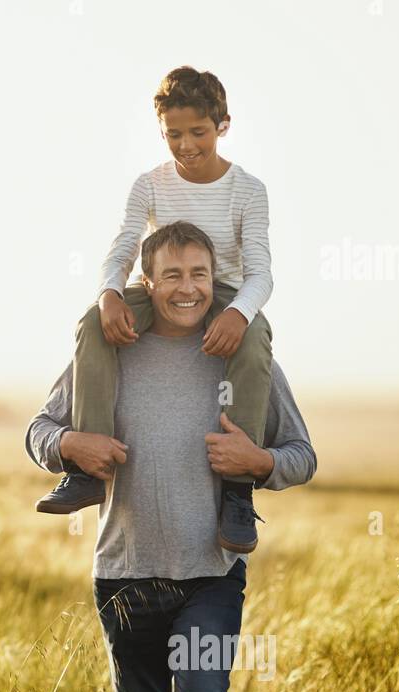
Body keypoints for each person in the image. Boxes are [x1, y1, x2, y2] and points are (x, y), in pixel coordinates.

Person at [24, 221, 316, 692]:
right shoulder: (110, 353)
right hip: (125, 578)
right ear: (145, 282)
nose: (188, 288)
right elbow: (39, 429)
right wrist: (66, 445)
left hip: (209, 576)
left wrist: (259, 463)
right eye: (173, 275)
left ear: (216, 280)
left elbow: (301, 455)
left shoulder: (241, 358)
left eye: (200, 274)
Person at [36, 66, 274, 555]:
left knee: (254, 339)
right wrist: (109, 293)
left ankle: (237, 491)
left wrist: (239, 314)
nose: (186, 145)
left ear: (223, 125)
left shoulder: (248, 190)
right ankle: (87, 469)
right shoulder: (149, 185)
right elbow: (124, 246)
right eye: (174, 134)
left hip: (223, 291)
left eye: (198, 133)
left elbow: (262, 272)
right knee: (91, 324)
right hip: (161, 285)